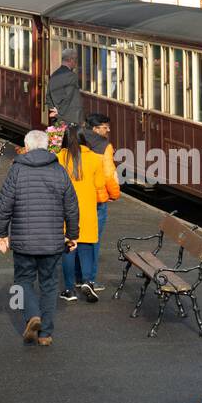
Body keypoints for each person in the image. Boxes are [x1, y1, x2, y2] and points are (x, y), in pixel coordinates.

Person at [0, 130, 80, 346]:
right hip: (52, 242)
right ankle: (45, 334)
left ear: (27, 146)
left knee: (23, 281)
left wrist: (2, 234)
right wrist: (72, 235)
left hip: (23, 242)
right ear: (47, 146)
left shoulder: (17, 170)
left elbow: (3, 205)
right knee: (50, 285)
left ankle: (33, 315)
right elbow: (72, 206)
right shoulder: (59, 171)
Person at [56, 126, 104, 303]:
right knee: (87, 247)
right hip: (88, 210)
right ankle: (88, 281)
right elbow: (99, 184)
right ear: (85, 139)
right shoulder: (95, 159)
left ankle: (69, 290)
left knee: (69, 249)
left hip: (66, 212)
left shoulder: (60, 157)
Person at [81, 113, 121, 292]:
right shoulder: (105, 146)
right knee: (93, 240)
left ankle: (76, 277)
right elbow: (108, 174)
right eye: (105, 127)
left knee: (76, 237)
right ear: (95, 129)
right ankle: (89, 279)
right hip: (97, 199)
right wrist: (114, 194)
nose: (108, 130)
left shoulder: (75, 139)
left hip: (78, 196)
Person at [46, 48, 83, 128]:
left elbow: (48, 96)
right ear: (70, 60)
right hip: (69, 119)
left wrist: (52, 108)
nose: (76, 63)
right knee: (69, 140)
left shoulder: (54, 75)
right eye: (76, 59)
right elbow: (69, 98)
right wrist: (59, 112)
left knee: (56, 140)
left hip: (56, 119)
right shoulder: (72, 76)